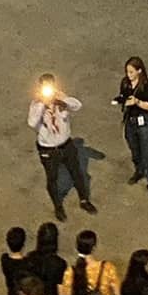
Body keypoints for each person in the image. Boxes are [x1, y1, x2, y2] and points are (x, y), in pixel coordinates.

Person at [29, 75, 97, 219]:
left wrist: (63, 100)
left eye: (51, 86)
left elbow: (77, 105)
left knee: (77, 173)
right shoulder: (36, 104)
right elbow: (32, 122)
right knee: (52, 178)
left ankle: (84, 200)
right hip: (48, 149)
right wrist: (42, 104)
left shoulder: (61, 99)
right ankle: (58, 206)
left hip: (66, 145)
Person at [113, 56, 148, 195]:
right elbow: (123, 96)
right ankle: (139, 171)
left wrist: (137, 102)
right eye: (127, 72)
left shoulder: (146, 85)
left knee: (146, 152)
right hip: (130, 121)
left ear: (139, 71)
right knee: (134, 149)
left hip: (143, 122)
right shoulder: (125, 83)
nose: (128, 75)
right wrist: (119, 100)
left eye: (131, 72)